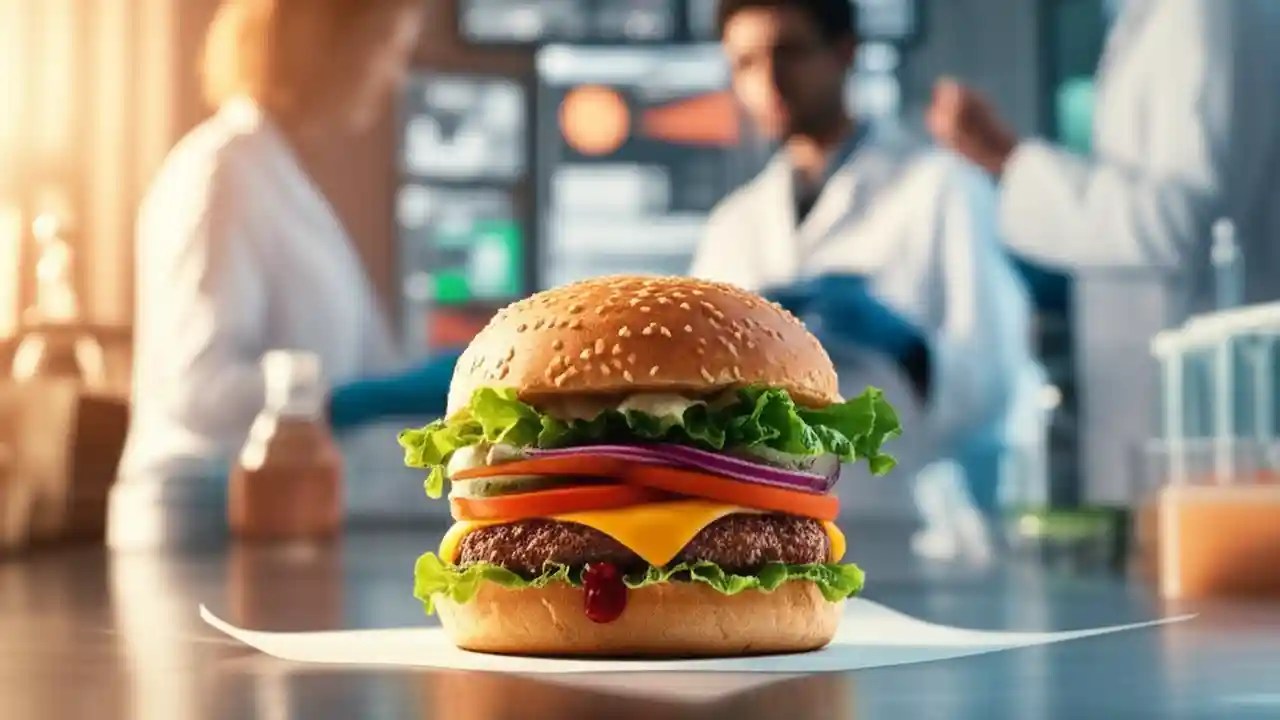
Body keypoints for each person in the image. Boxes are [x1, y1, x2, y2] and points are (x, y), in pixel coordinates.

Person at [114, 0, 454, 536]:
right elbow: (198, 386)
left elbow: (354, 361)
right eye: (387, 48)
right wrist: (346, 401)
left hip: (282, 518)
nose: (395, 75)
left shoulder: (281, 178)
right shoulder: (223, 174)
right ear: (326, 44)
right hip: (203, 529)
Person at [695, 0, 1035, 526]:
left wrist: (906, 348)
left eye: (790, 53)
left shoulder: (941, 187)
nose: (769, 81)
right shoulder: (732, 225)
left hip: (910, 524)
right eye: (745, 63)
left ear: (845, 53)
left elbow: (995, 388)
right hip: (763, 527)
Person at [928, 0, 1280, 504]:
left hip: (1198, 422)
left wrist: (1005, 159)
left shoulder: (1203, 13)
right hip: (1167, 422)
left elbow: (1179, 223)